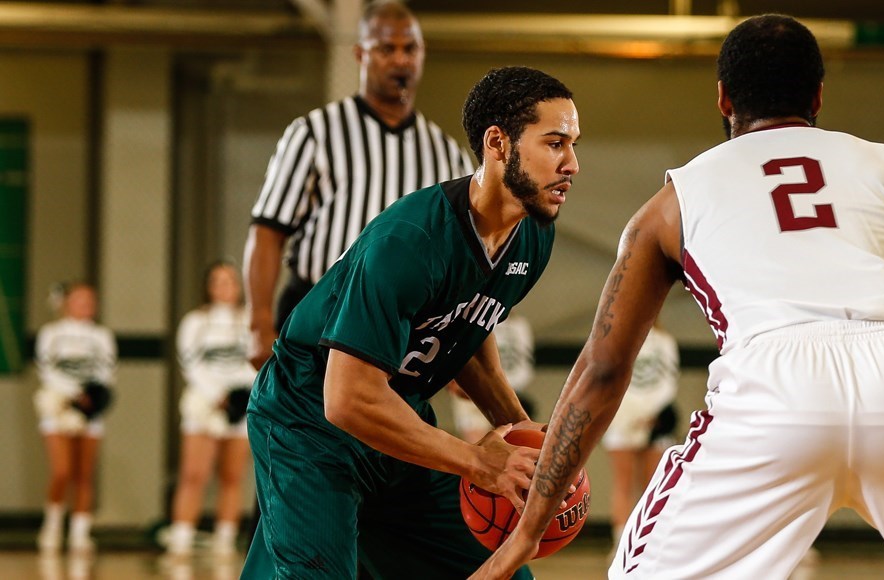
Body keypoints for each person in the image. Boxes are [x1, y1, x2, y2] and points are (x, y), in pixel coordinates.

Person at [472, 14, 884, 580]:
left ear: (723, 98)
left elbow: (602, 370)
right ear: (819, 94)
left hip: (773, 395)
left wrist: (527, 531)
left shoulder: (673, 201)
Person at [240, 66, 580, 579]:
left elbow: (470, 329)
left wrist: (523, 437)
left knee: (507, 572)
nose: (572, 163)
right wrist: (478, 461)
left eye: (573, 144)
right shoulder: (410, 239)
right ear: (497, 143)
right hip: (309, 418)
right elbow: (347, 398)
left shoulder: (533, 235)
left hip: (397, 415)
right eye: (555, 143)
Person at [243, 0, 473, 371]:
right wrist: (259, 324)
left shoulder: (447, 154)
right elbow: (268, 231)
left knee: (379, 426)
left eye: (409, 48)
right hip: (318, 308)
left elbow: (463, 260)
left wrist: (461, 347)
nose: (400, 60)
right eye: (387, 48)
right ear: (360, 54)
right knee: (304, 426)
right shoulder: (315, 132)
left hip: (399, 324)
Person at [166, 261, 259, 559]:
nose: (225, 287)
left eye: (230, 280)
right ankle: (180, 540)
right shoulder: (195, 321)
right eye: (218, 281)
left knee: (232, 476)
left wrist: (240, 394)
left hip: (239, 405)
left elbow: (257, 359)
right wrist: (216, 395)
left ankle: (225, 540)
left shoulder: (250, 319)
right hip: (204, 405)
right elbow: (189, 361)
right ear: (208, 286)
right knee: (194, 474)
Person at [33, 283, 117, 554]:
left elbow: (106, 371)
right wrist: (70, 396)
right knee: (61, 471)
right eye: (79, 299)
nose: (85, 304)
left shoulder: (102, 336)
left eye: (90, 299)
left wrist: (89, 398)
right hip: (57, 406)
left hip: (88, 408)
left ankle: (80, 533)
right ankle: (53, 526)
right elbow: (46, 369)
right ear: (65, 302)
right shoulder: (50, 333)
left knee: (84, 474)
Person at [599, 321, 679, 554]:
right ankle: (621, 545)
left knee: (654, 486)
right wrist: (626, 414)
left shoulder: (665, 341)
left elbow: (669, 380)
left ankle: (650, 544)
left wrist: (652, 414)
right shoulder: (617, 336)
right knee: (623, 484)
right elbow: (609, 377)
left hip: (656, 422)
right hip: (621, 419)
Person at [449, 311, 537, 443]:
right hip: (486, 384)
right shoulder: (517, 323)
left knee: (488, 441)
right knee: (479, 440)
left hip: (499, 386)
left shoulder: (513, 323)